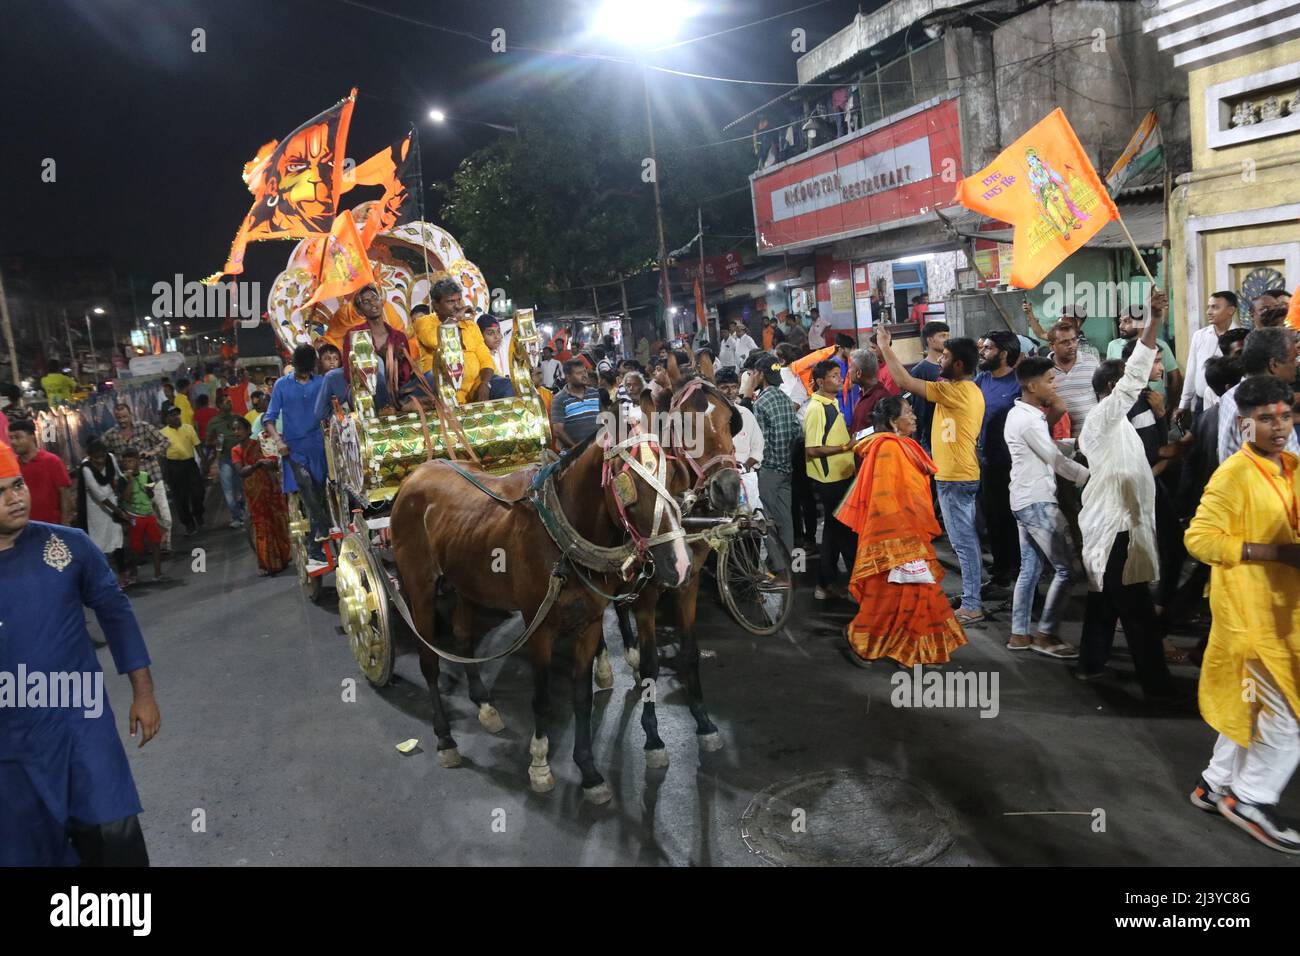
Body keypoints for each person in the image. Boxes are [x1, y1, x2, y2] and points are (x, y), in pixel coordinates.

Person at [0, 441, 160, 866]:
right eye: (0, 492)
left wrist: (143, 694)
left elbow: (117, 616)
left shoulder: (68, 546)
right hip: (11, 748)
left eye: (17, 485)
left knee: (113, 834)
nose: (16, 498)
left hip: (81, 728)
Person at [1185, 375, 1300, 852]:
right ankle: (1250, 798)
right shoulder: (1234, 474)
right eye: (1266, 418)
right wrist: (1272, 553)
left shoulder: (1289, 466)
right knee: (1290, 715)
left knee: (1251, 707)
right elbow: (1199, 539)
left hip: (1280, 614)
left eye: (1285, 416)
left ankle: (1214, 786)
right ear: (1244, 423)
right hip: (1250, 620)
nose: (1279, 426)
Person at [1074, 291, 1176, 697]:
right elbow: (1132, 379)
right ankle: (1158, 685)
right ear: (1115, 387)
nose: (1155, 369)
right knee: (1136, 612)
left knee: (1105, 600)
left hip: (1120, 525)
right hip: (1115, 529)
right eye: (1150, 362)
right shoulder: (1103, 417)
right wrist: (1152, 323)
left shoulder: (1121, 426)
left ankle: (1089, 664)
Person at [837, 395, 968, 666]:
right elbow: (884, 500)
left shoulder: (902, 447)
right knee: (888, 598)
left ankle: (906, 646)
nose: (915, 417)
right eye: (909, 412)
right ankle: (862, 641)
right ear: (892, 421)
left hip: (908, 537)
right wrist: (900, 544)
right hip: (893, 539)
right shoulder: (887, 449)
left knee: (914, 594)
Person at [876, 327, 986, 625]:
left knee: (963, 543)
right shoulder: (966, 389)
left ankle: (973, 603)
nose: (940, 361)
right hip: (958, 475)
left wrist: (885, 347)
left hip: (955, 477)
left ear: (960, 365)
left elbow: (903, 380)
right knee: (966, 541)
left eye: (946, 357)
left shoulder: (955, 391)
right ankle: (971, 595)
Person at [1004, 357, 1088, 657]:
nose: (1055, 385)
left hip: (1024, 500)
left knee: (1030, 569)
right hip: (1037, 502)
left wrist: (1074, 443)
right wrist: (1089, 477)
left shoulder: (1024, 416)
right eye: (1050, 381)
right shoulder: (1027, 420)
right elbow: (1054, 460)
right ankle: (1046, 635)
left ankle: (1019, 633)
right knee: (1068, 569)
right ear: (1032, 385)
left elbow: (1048, 449)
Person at [263, 344, 330, 566]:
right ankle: (324, 528)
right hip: (293, 449)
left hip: (320, 447)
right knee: (307, 487)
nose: (304, 371)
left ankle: (315, 546)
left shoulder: (321, 382)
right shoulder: (281, 385)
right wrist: (278, 441)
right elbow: (269, 418)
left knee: (318, 496)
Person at [803, 359, 858, 600]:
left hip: (841, 475)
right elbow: (813, 449)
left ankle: (826, 583)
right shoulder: (816, 408)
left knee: (834, 532)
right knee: (841, 533)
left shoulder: (832, 402)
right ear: (820, 382)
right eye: (834, 376)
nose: (839, 379)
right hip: (830, 480)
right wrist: (846, 446)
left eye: (839, 374)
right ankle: (837, 583)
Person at [975, 330, 1024, 590]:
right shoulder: (981, 380)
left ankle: (1020, 570)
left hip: (1013, 463)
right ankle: (1002, 569)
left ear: (1004, 354)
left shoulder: (1018, 383)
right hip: (988, 462)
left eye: (989, 348)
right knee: (994, 518)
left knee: (1013, 519)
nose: (983, 352)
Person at [747, 352, 799, 583]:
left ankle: (780, 570)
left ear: (760, 375)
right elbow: (796, 431)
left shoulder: (761, 402)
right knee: (785, 520)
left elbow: (760, 440)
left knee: (766, 522)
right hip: (786, 467)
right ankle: (790, 567)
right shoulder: (785, 398)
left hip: (768, 470)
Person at [1216, 327, 1300, 464]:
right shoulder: (1254, 405)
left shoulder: (1231, 396)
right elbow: (1257, 459)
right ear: (1274, 364)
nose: (1296, 363)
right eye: (1293, 358)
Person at [230, 417, 291, 576]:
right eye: (234, 429)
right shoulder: (236, 450)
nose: (237, 432)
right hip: (254, 492)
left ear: (248, 430)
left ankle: (284, 557)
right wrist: (258, 465)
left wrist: (269, 463)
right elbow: (241, 472)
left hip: (270, 488)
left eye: (239, 429)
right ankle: (268, 563)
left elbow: (274, 461)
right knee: (261, 525)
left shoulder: (260, 444)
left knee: (277, 520)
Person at [1176, 291, 1241, 429]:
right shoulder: (1199, 336)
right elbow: (1191, 371)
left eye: (1215, 307)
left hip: (1231, 402)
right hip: (1201, 403)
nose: (1209, 312)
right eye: (1208, 307)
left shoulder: (1240, 338)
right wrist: (1184, 404)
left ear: (1231, 310)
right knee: (1204, 444)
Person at [1107, 302, 1182, 402]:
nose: (1121, 326)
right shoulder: (1113, 346)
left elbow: (1174, 377)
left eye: (1127, 321)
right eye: (1120, 321)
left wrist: (1173, 405)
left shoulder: (1160, 346)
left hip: (1156, 403)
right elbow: (1109, 377)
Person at [9, 417, 72, 525]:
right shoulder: (12, 466)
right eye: (11, 438)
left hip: (51, 527)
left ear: (32, 437)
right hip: (22, 529)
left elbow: (65, 496)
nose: (13, 442)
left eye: (18, 437)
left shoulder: (52, 461)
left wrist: (65, 526)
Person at [117, 448, 165, 583]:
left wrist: (149, 490)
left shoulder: (145, 475)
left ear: (137, 461)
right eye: (125, 462)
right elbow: (125, 498)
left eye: (131, 461)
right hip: (134, 515)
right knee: (135, 546)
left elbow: (151, 495)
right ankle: (134, 574)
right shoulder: (122, 479)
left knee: (155, 542)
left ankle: (158, 572)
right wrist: (131, 481)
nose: (128, 464)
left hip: (148, 513)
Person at [718, 368, 764, 510]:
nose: (730, 392)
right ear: (716, 390)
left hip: (745, 480)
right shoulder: (708, 418)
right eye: (724, 387)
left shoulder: (746, 414)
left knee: (750, 521)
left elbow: (758, 448)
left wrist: (745, 466)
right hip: (718, 482)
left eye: (733, 387)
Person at [160, 405, 204, 536]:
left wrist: (204, 462)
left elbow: (198, 446)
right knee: (180, 498)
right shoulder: (162, 433)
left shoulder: (188, 428)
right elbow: (161, 455)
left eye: (177, 414)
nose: (176, 417)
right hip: (173, 466)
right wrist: (165, 474)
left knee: (198, 492)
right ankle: (188, 523)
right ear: (166, 418)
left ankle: (198, 513)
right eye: (172, 415)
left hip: (190, 464)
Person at [909, 322, 949, 455]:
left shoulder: (953, 368)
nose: (947, 339)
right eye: (942, 336)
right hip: (931, 436)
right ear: (930, 340)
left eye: (948, 335)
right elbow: (919, 411)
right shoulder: (920, 371)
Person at [550, 358, 601, 449]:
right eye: (579, 373)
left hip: (596, 451)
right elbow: (558, 430)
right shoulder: (559, 399)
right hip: (573, 455)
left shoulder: (595, 393)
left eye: (585, 372)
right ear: (568, 377)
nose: (584, 375)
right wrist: (577, 449)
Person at [848, 349, 890, 437]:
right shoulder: (862, 394)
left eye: (850, 367)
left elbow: (881, 432)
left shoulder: (881, 398)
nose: (848, 371)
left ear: (858, 373)